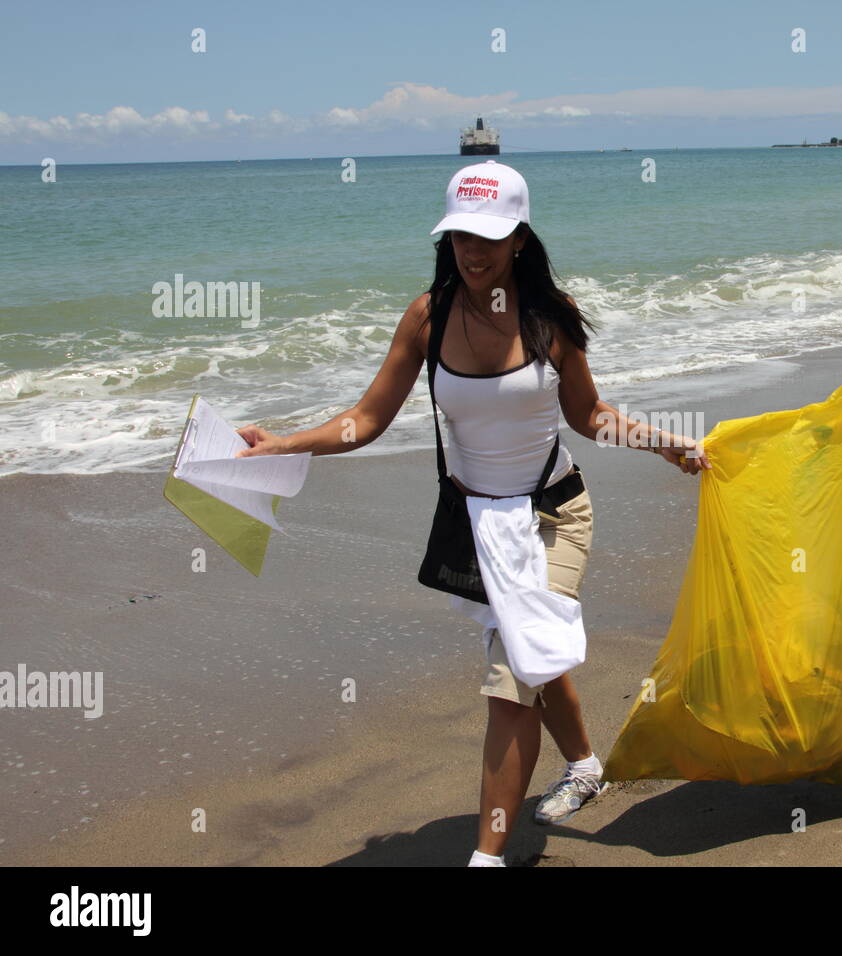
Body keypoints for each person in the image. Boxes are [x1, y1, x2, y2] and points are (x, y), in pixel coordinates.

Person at [234, 160, 710, 863]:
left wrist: (663, 444)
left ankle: (486, 858)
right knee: (533, 654)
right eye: (460, 233)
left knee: (511, 677)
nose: (473, 250)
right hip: (479, 528)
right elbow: (365, 420)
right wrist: (284, 445)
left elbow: (588, 415)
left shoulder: (552, 315)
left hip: (553, 517)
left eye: (488, 236)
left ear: (520, 236)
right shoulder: (427, 316)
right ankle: (584, 765)